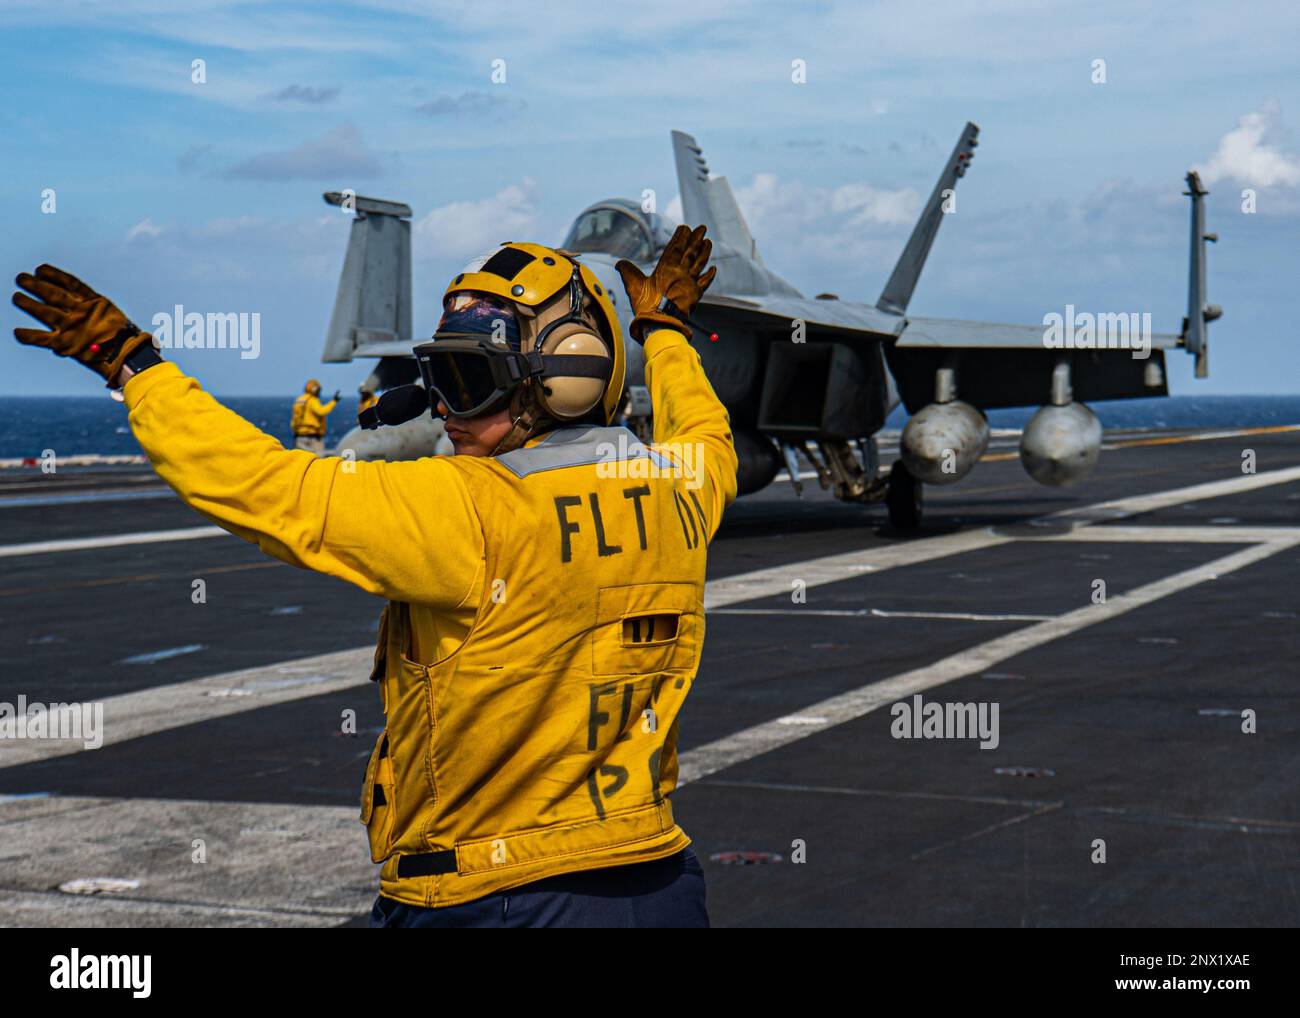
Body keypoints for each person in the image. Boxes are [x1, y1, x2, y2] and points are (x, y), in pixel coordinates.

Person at [11, 224, 737, 928]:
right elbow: (704, 428)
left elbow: (267, 489)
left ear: (561, 384)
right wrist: (665, 328)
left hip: (494, 898)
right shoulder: (683, 488)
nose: (447, 410)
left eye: (469, 380)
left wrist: (132, 364)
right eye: (439, 378)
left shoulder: (470, 510)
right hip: (656, 882)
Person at [290, 378, 338, 455]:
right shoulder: (313, 400)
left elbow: (294, 419)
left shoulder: (299, 400)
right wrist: (334, 401)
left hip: (299, 437)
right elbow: (322, 411)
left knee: (302, 460)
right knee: (318, 461)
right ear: (315, 390)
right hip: (313, 438)